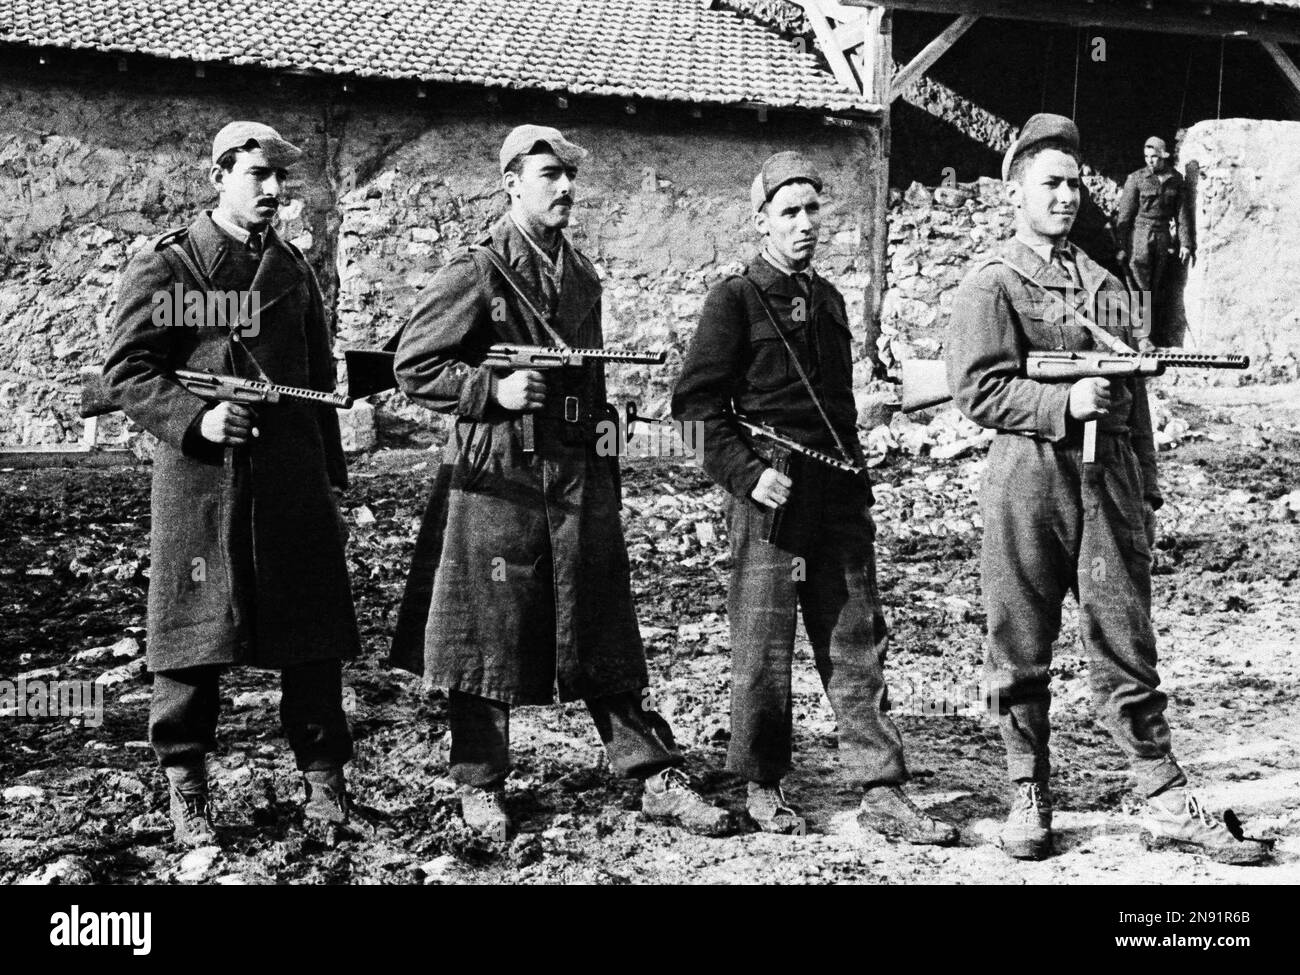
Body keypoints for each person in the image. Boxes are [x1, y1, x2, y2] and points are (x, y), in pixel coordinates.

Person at [389, 124, 732, 840]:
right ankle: (479, 784)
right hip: (498, 476)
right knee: (486, 630)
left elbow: (588, 380)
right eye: (550, 175)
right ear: (512, 182)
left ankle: (650, 769)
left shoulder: (581, 275)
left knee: (600, 618)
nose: (566, 188)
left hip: (575, 475)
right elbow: (414, 365)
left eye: (570, 176)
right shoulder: (478, 269)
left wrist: (609, 433)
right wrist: (494, 390)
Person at [945, 113, 1268, 864]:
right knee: (1017, 642)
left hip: (1108, 481)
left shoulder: (1109, 284)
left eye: (1071, 184)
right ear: (1015, 192)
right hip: (1027, 478)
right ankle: (1026, 787)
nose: (1063, 198)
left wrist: (1146, 488)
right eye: (1048, 185)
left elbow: (1141, 392)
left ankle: (1161, 793)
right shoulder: (992, 282)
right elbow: (976, 388)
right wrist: (1064, 403)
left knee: (1125, 639)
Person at [671, 152, 959, 845]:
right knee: (763, 641)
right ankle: (763, 781)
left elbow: (834, 406)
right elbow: (693, 411)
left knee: (856, 635)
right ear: (762, 219)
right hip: (770, 491)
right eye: (789, 211)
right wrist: (746, 474)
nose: (804, 224)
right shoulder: (734, 299)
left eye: (812, 210)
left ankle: (883, 787)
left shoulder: (829, 300)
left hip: (835, 488)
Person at [103, 122, 359, 846]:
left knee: (312, 635)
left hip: (289, 482)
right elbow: (127, 371)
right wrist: (197, 419)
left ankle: (324, 781)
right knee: (190, 640)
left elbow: (316, 384)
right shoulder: (172, 266)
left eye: (281, 178)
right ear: (219, 177)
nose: (274, 191)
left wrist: (331, 486)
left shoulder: (292, 269)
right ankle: (186, 788)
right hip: (202, 482)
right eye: (257, 176)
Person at [1116, 136, 1195, 349]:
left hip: (1162, 238)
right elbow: (1124, 217)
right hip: (1139, 237)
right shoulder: (1136, 179)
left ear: (1164, 156)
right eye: (1147, 157)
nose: (1150, 161)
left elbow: (1182, 214)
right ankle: (1142, 339)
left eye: (1155, 157)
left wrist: (1186, 243)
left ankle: (1151, 336)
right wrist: (1122, 247)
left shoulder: (1176, 180)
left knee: (1156, 287)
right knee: (1138, 287)